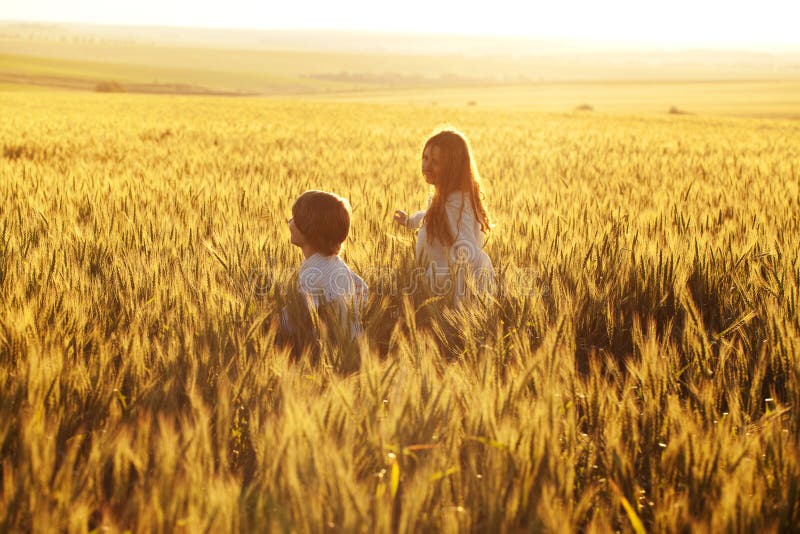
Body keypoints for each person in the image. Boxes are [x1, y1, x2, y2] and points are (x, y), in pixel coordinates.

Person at [393, 129, 494, 301]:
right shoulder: (445, 199)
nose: (426, 165)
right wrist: (410, 221)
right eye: (425, 158)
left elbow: (467, 248)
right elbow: (431, 216)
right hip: (438, 282)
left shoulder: (455, 205)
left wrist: (460, 291)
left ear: (452, 168)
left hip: (450, 286)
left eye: (435, 162)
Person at [282, 190, 368, 340]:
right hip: (353, 344)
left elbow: (289, 322)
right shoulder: (335, 263)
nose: (290, 221)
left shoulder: (315, 274)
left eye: (295, 218)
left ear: (310, 229)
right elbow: (363, 289)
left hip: (335, 353)